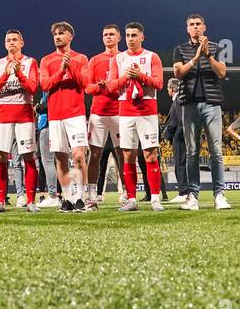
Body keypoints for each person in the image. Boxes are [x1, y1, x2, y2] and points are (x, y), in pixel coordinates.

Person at [171, 13, 231, 211]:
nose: (195, 27)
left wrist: (207, 55)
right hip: (189, 104)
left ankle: (219, 195)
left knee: (216, 151)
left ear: (204, 27)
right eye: (191, 25)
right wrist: (195, 58)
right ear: (187, 28)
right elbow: (178, 73)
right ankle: (193, 196)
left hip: (212, 104)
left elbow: (222, 72)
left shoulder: (215, 47)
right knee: (192, 152)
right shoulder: (179, 49)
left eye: (198, 24)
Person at [106, 22, 165, 211]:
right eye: (128, 35)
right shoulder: (118, 59)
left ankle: (155, 198)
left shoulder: (152, 57)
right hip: (126, 112)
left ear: (142, 37)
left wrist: (139, 76)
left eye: (134, 35)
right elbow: (111, 86)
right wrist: (126, 77)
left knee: (150, 155)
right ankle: (131, 199)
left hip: (147, 112)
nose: (131, 38)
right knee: (128, 156)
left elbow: (159, 83)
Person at [0, 30, 41, 212]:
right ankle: (1, 201)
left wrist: (19, 74)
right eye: (8, 40)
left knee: (28, 156)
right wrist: (5, 75)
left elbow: (33, 88)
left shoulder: (30, 62)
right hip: (3, 116)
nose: (11, 43)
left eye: (15, 40)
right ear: (5, 44)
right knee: (0, 157)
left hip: (24, 115)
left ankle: (31, 201)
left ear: (22, 43)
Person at [40, 21, 91, 211]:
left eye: (62, 33)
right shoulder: (46, 60)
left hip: (75, 114)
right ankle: (68, 199)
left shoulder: (81, 58)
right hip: (55, 116)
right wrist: (61, 70)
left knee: (78, 155)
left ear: (71, 36)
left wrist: (71, 68)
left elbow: (85, 83)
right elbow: (44, 85)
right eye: (55, 33)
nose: (57, 36)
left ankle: (81, 197)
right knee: (60, 158)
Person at [83, 24, 123, 208]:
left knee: (123, 155)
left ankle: (128, 194)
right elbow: (87, 88)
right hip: (98, 113)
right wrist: (99, 86)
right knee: (95, 154)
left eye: (112, 34)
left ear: (119, 38)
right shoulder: (95, 60)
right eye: (105, 34)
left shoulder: (125, 58)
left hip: (120, 112)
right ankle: (91, 194)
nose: (108, 37)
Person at [161, 80, 187, 200]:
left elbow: (177, 120)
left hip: (180, 136)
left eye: (168, 88)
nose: (167, 90)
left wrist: (166, 136)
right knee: (182, 163)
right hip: (182, 135)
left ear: (172, 88)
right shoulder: (180, 100)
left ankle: (184, 192)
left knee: (180, 164)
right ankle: (186, 191)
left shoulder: (178, 100)